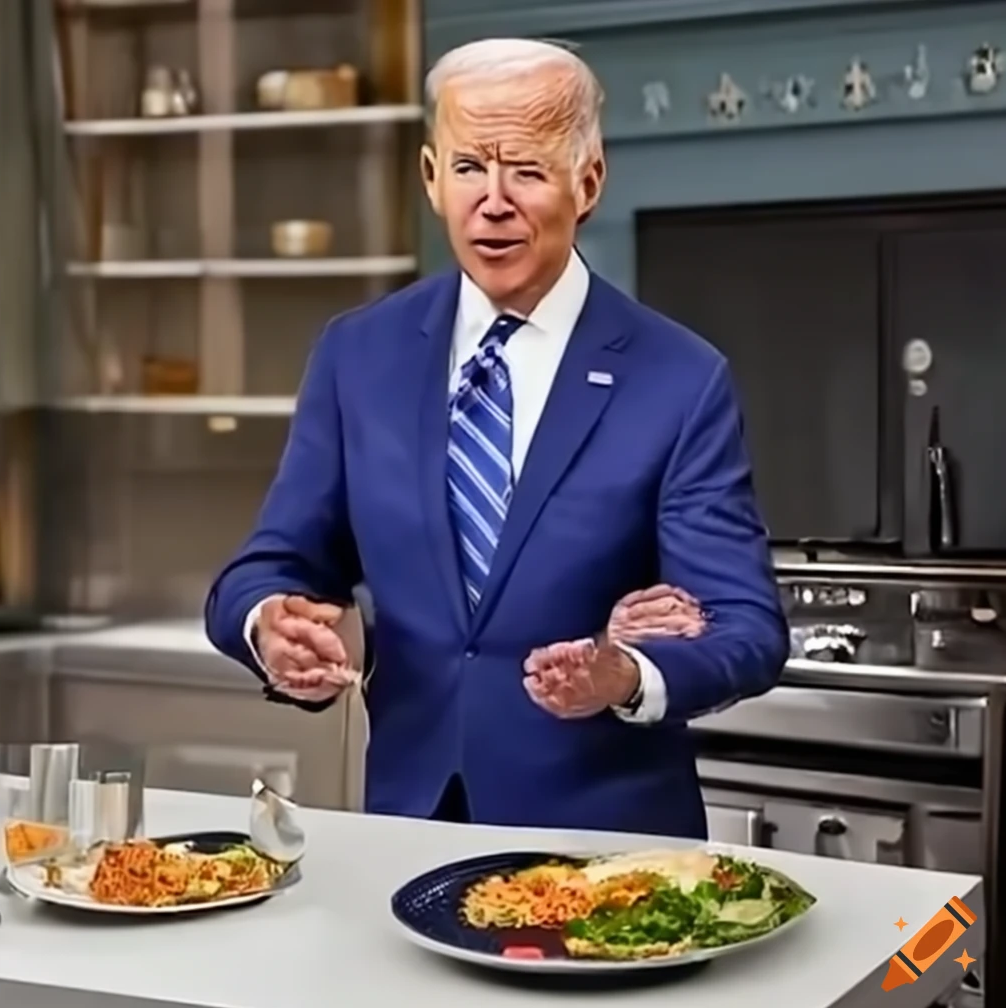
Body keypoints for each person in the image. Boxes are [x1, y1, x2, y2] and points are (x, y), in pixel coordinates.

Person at [205, 37, 788, 836]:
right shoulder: (358, 355)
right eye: (470, 167)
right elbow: (273, 565)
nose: (494, 200)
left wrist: (625, 673)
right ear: (431, 177)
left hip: (609, 848)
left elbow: (746, 627)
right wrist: (269, 623)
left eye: (527, 169)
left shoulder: (681, 379)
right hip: (411, 832)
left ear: (588, 182)